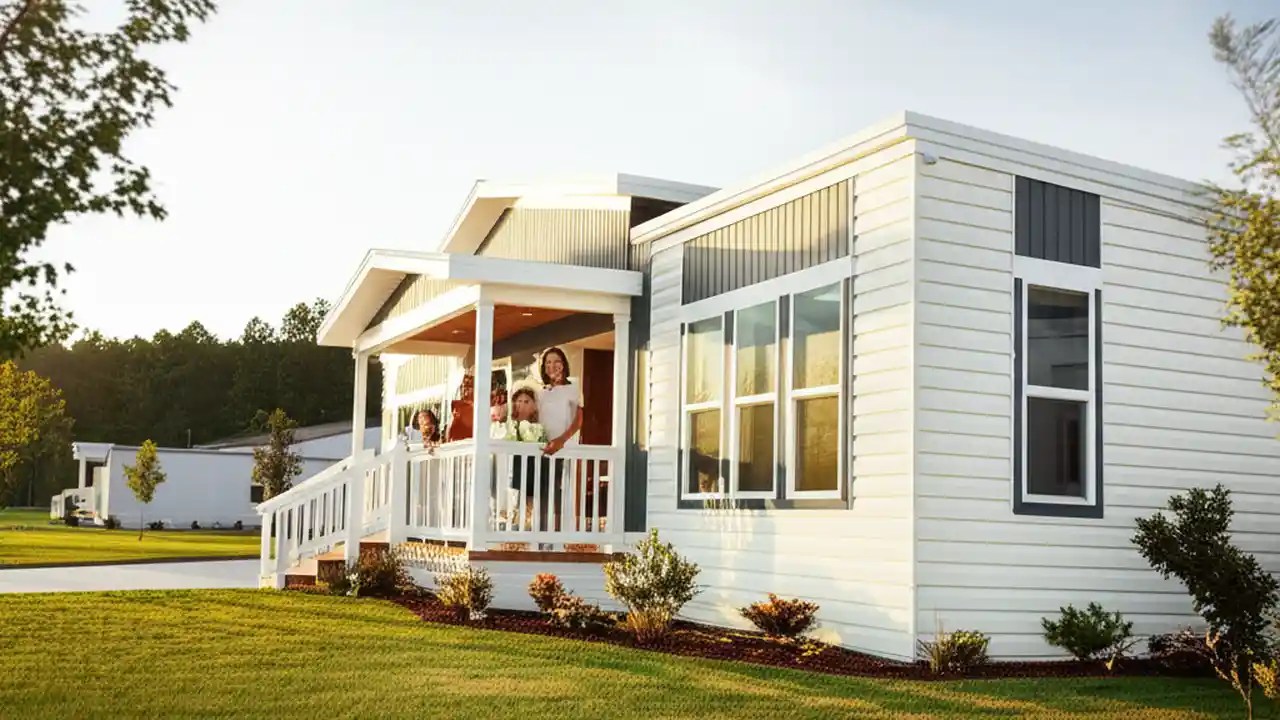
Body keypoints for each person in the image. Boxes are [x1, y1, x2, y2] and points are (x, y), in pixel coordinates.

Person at [445, 373, 475, 443]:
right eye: (463, 386)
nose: (465, 389)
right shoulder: (457, 406)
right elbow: (450, 427)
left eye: (468, 386)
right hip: (457, 446)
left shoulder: (481, 407)